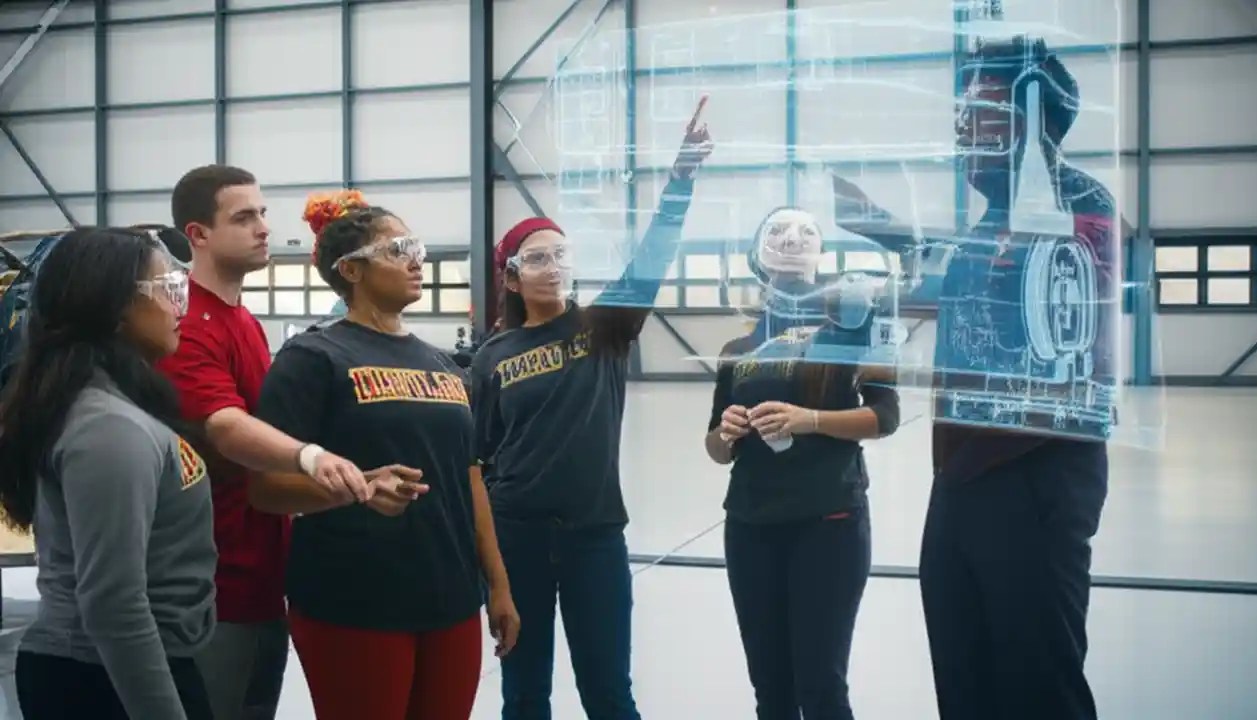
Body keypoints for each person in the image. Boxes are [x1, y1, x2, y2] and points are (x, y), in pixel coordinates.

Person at [837, 38, 1116, 719]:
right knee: (962, 669)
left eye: (980, 112)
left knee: (1036, 678)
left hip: (1034, 468)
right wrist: (879, 242)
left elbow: (1051, 324)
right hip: (961, 472)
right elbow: (955, 284)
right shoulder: (992, 219)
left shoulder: (1079, 204)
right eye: (960, 115)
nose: (962, 130)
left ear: (1032, 117)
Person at [470, 97, 713, 720]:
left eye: (560, 255)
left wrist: (681, 178)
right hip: (517, 536)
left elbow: (655, 255)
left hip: (595, 536)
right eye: (536, 258)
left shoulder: (604, 327)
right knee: (524, 694)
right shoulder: (492, 356)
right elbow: (480, 453)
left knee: (609, 692)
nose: (552, 267)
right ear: (513, 278)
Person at [251, 190, 518, 720]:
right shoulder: (313, 359)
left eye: (414, 246)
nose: (417, 260)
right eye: (398, 249)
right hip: (354, 601)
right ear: (351, 270)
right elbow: (263, 488)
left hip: (449, 600)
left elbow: (470, 480)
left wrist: (499, 585)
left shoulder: (443, 366)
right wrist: (357, 489)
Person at [158, 165, 368, 720]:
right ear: (197, 235)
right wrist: (312, 457)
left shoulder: (244, 322)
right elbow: (224, 426)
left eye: (263, 214)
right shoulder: (189, 326)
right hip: (216, 589)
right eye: (243, 217)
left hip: (265, 580)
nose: (263, 228)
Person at [0, 227, 215, 719]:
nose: (177, 307)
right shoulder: (107, 427)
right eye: (166, 289)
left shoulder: (117, 405)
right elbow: (113, 603)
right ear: (115, 306)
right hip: (101, 675)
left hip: (121, 664)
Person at [704, 207, 900, 720]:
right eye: (778, 231)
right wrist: (726, 433)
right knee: (771, 689)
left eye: (805, 231)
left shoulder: (854, 326)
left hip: (827, 523)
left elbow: (885, 416)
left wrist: (809, 419)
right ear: (758, 253)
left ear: (821, 253)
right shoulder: (739, 347)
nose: (792, 239)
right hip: (749, 526)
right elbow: (714, 446)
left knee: (821, 686)